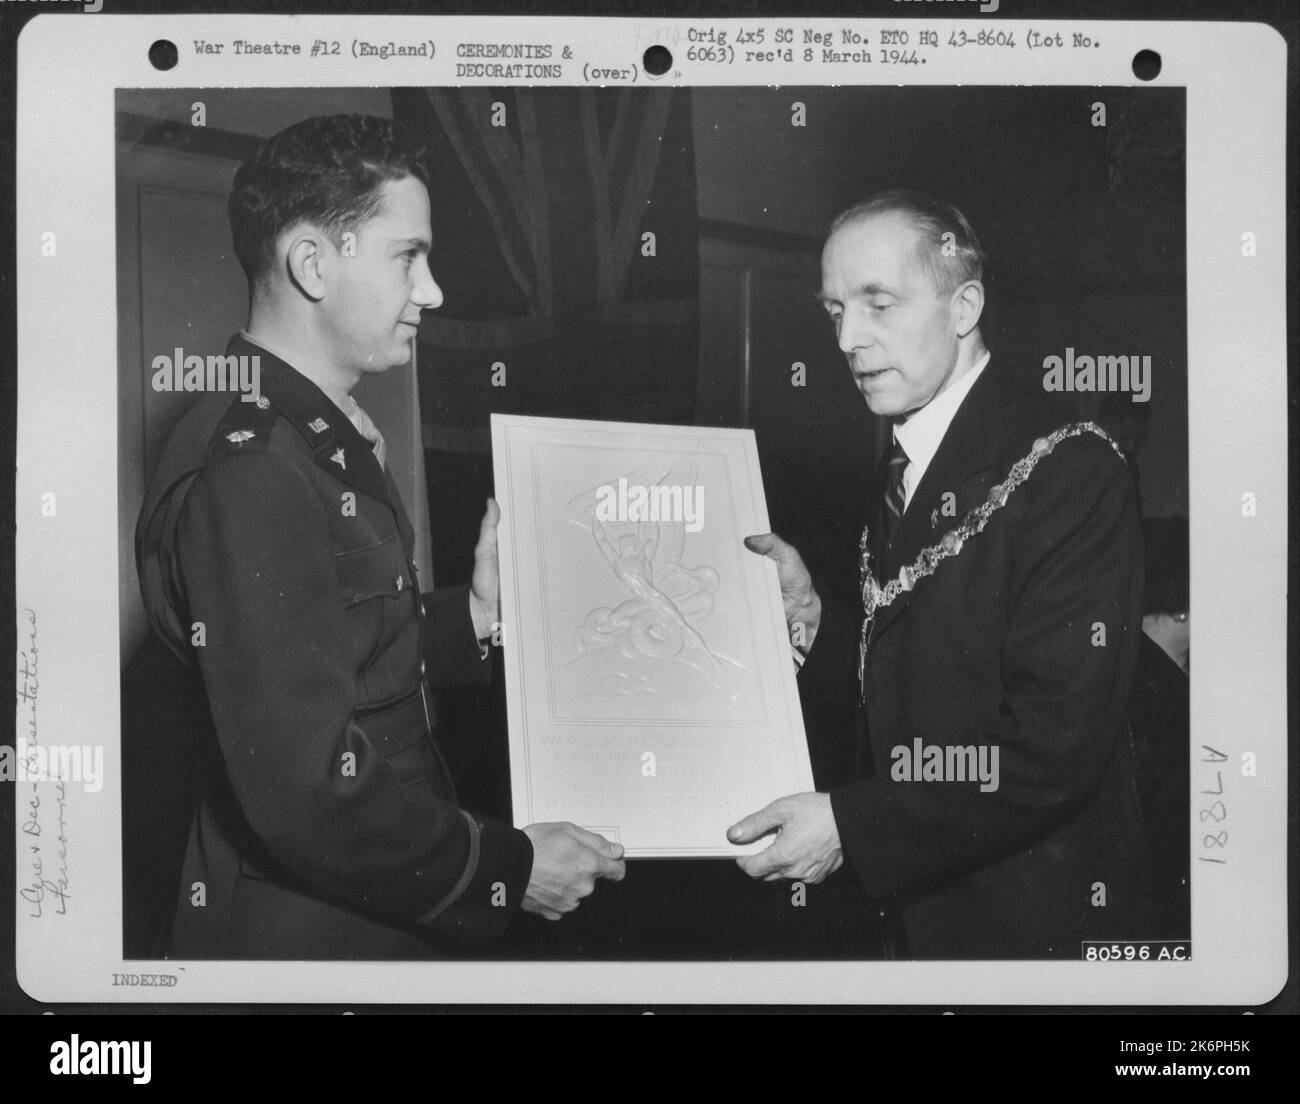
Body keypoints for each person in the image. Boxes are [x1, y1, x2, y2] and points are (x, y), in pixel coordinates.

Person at [134, 114, 624, 959]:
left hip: (372, 909)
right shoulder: (253, 467)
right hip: (312, 936)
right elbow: (306, 790)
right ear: (313, 264)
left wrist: (471, 614)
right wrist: (505, 867)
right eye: (408, 256)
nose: (431, 291)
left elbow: (331, 652)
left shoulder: (308, 432)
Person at [730, 191, 1154, 958]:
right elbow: (920, 673)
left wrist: (851, 828)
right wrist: (820, 623)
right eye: (834, 311)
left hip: (1032, 929)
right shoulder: (904, 452)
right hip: (916, 919)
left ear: (964, 308)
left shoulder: (1071, 465)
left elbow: (1052, 748)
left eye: (879, 304)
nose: (849, 340)